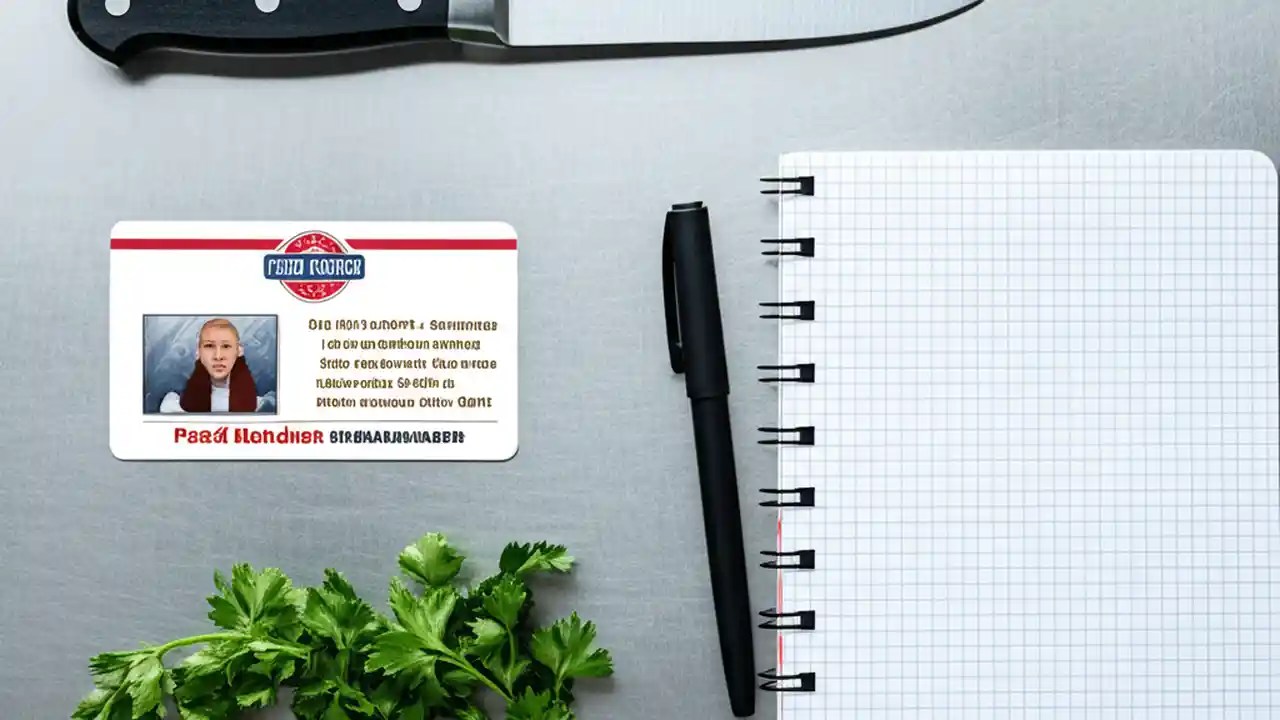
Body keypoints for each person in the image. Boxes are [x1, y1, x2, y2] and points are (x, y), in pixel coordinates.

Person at [159, 318, 272, 413]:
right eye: (209, 346)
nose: (218, 356)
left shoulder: (261, 406)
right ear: (198, 352)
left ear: (239, 351)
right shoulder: (172, 407)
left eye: (226, 346)